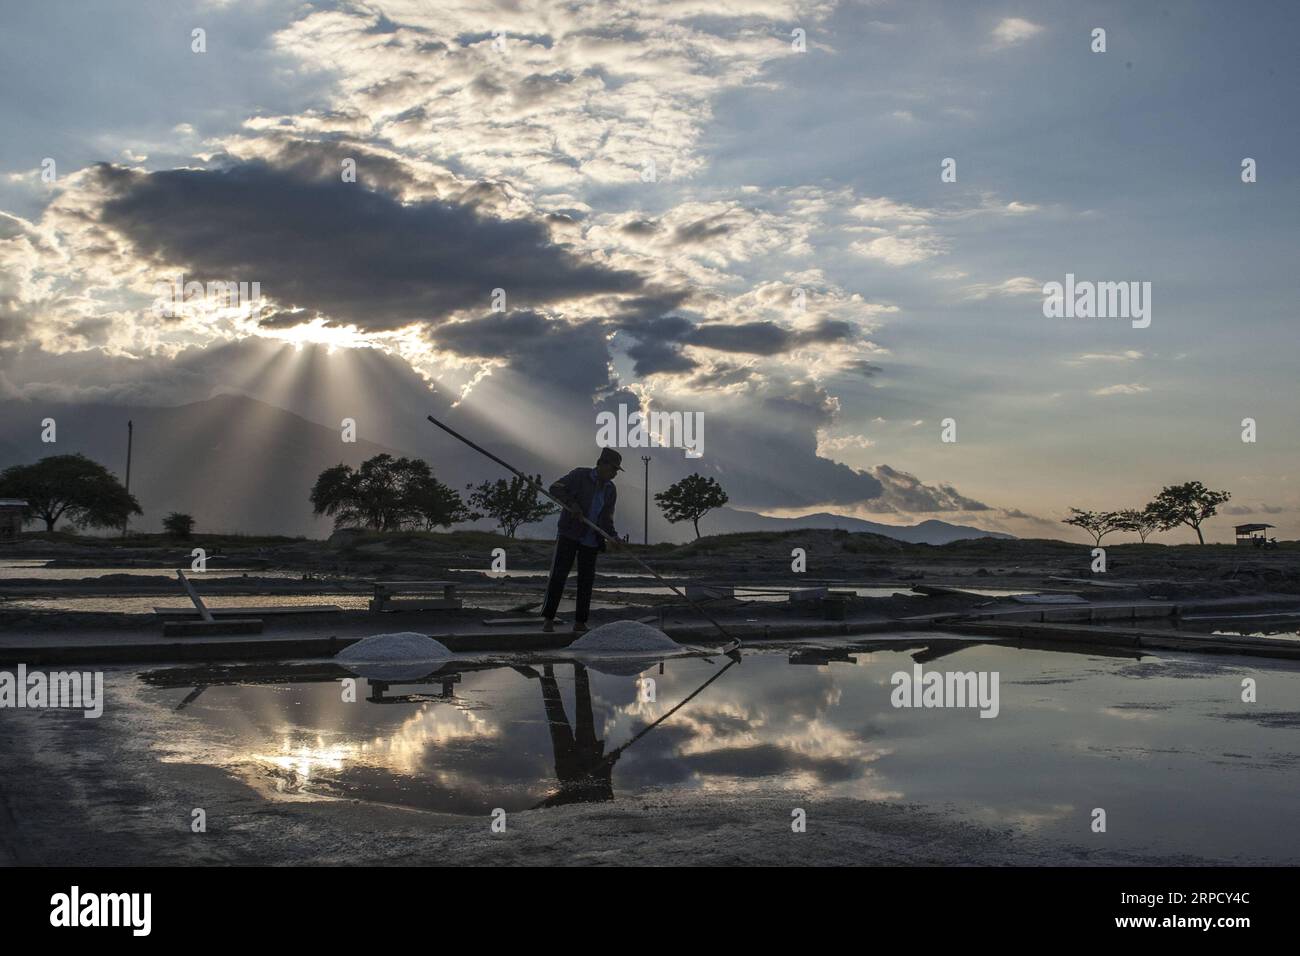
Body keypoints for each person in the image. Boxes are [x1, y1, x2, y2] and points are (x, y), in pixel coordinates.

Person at [541, 448, 621, 633]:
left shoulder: (610, 490)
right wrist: (573, 504)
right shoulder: (580, 476)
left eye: (616, 470)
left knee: (586, 581)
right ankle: (548, 619)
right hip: (570, 533)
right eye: (612, 468)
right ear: (600, 464)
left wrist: (613, 536)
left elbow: (607, 517)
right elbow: (556, 488)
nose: (614, 473)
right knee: (559, 576)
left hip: (591, 539)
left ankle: (580, 622)